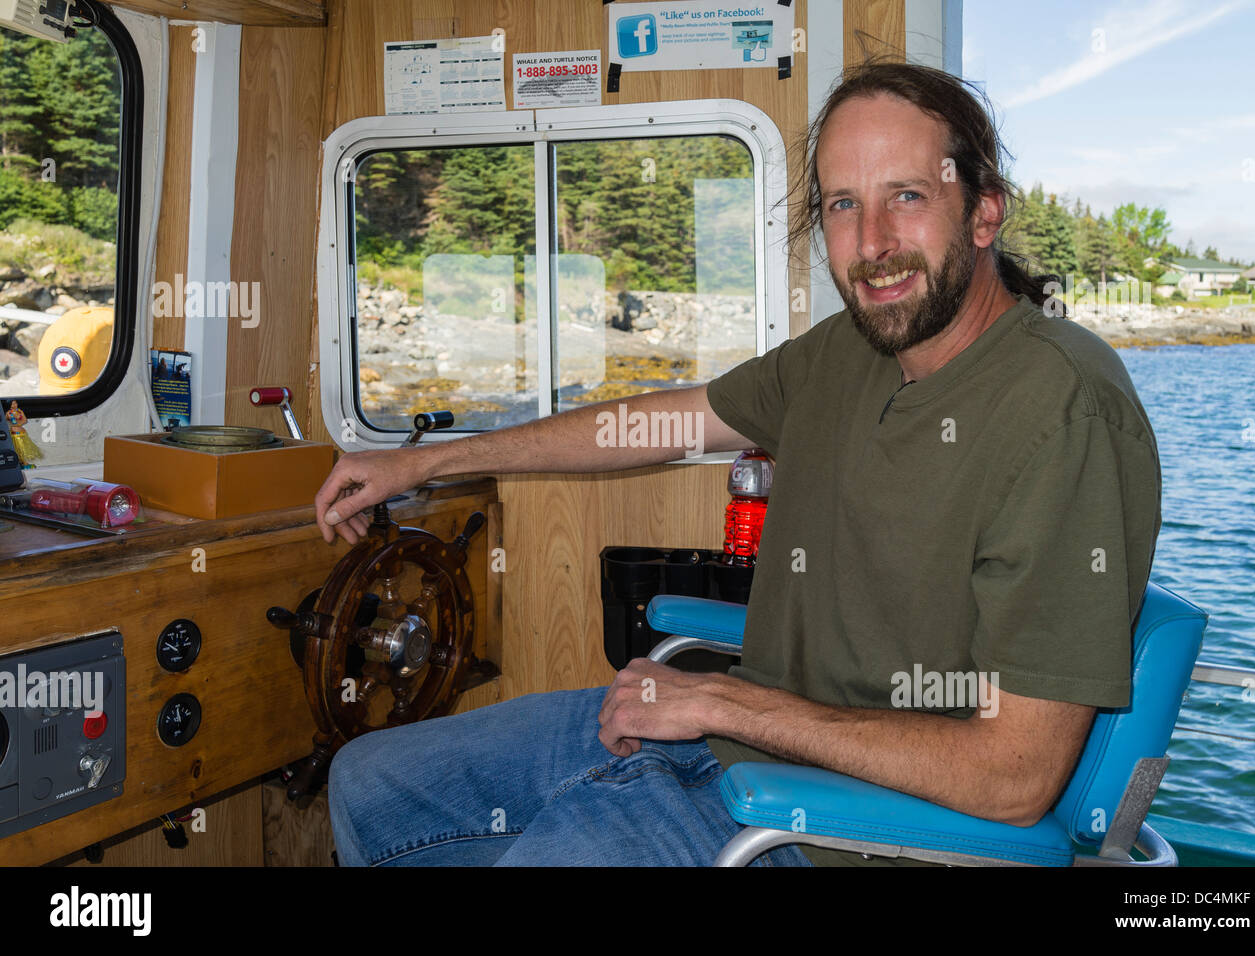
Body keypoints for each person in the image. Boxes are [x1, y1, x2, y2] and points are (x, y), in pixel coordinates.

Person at [315, 58, 1160, 867]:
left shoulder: (1064, 409)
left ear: (983, 213)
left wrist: (723, 700)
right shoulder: (850, 352)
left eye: (907, 196)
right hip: (730, 745)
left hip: (839, 834)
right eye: (840, 205)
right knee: (367, 784)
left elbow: (1013, 777)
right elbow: (657, 424)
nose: (872, 243)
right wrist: (426, 463)